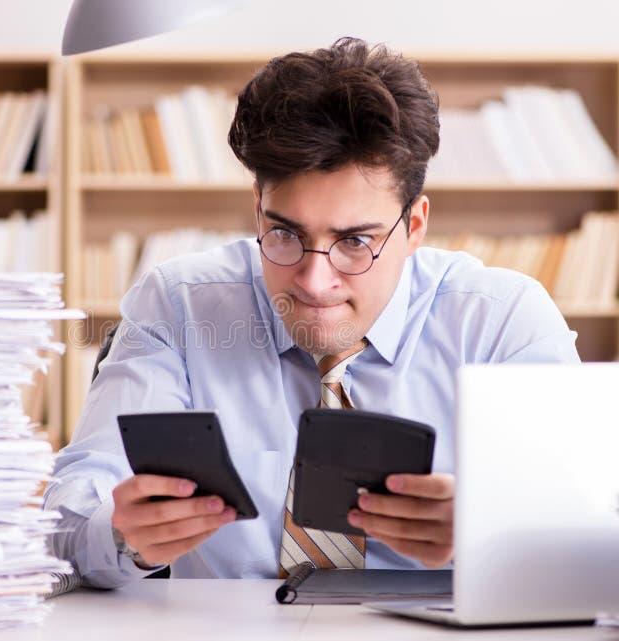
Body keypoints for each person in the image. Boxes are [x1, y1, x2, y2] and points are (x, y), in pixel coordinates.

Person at [44, 37, 579, 589]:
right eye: (284, 233)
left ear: (414, 226)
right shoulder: (178, 306)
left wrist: (495, 530)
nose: (314, 281)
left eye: (354, 242)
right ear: (256, 207)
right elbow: (62, 522)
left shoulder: (502, 323)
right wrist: (121, 535)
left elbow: (589, 516)